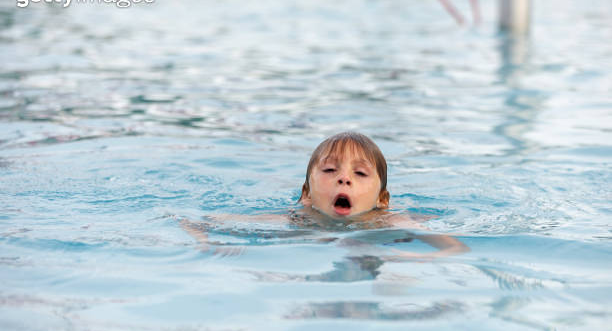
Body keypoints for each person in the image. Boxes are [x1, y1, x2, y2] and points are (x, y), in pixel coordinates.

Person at [180, 131, 469, 260]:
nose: (344, 177)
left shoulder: (393, 222)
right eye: (330, 170)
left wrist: (411, 258)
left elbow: (456, 249)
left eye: (360, 173)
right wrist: (206, 243)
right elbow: (193, 221)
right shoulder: (294, 220)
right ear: (306, 195)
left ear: (382, 200)